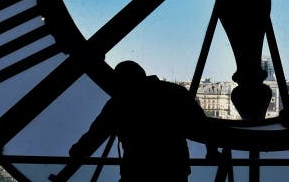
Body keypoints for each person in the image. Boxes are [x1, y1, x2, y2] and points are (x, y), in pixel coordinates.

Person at [69, 60, 216, 181]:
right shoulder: (176, 93)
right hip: (174, 169)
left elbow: (96, 134)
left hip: (135, 170)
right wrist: (212, 150)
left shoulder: (119, 102)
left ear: (121, 81)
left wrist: (78, 151)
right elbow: (203, 125)